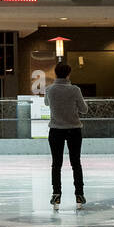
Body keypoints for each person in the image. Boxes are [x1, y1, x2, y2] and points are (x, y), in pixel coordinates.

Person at [44, 61, 88, 210]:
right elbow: (84, 109)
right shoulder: (75, 90)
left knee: (56, 164)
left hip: (56, 130)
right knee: (76, 163)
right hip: (74, 129)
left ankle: (56, 194)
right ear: (68, 74)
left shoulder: (50, 89)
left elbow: (46, 103)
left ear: (55, 73)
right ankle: (79, 194)